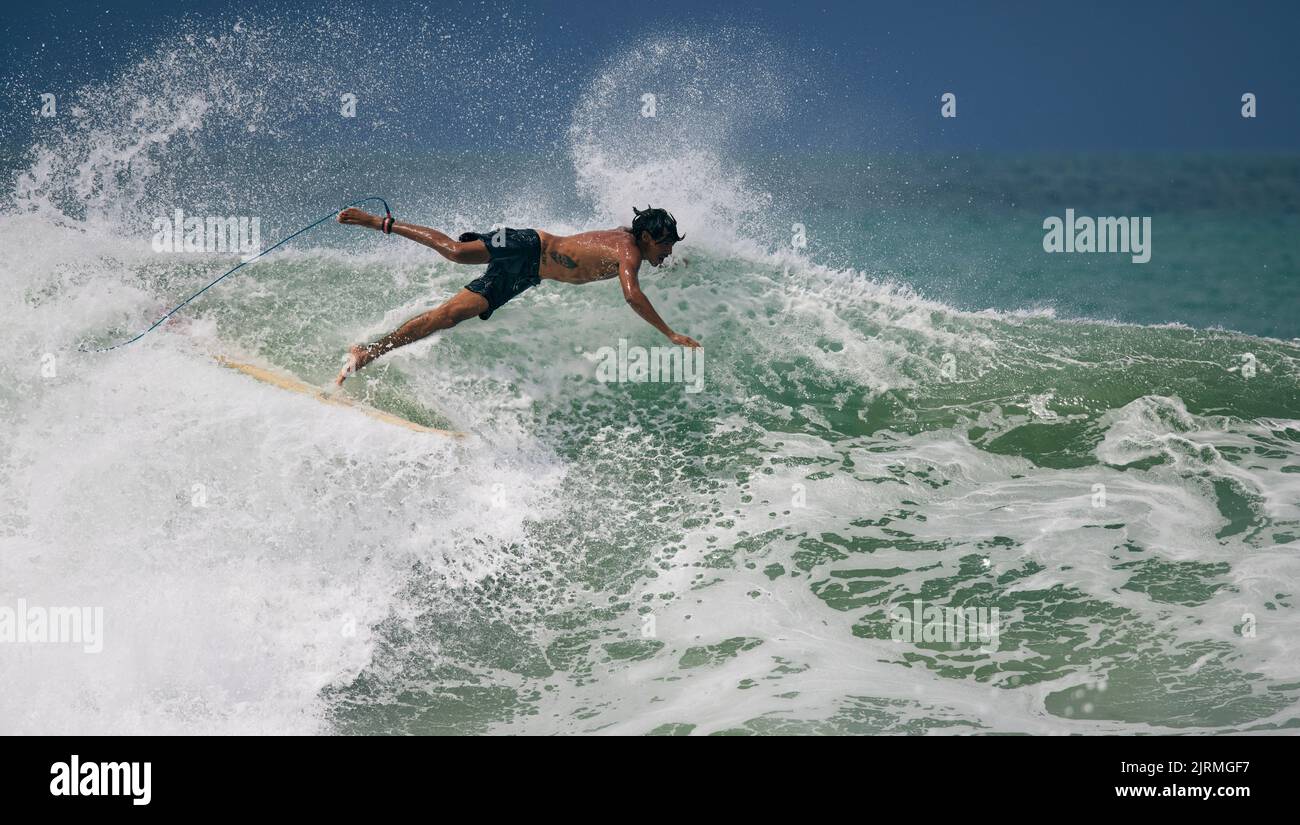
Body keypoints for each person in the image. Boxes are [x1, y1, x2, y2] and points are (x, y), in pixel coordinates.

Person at [333, 205, 699, 385]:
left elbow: (647, 255)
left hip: (526, 274)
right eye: (665, 247)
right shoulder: (629, 253)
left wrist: (679, 264)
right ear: (648, 239)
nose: (667, 253)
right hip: (526, 242)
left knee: (449, 316)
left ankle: (369, 352)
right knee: (456, 253)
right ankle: (381, 222)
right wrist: (670, 333)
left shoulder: (634, 242)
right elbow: (633, 296)